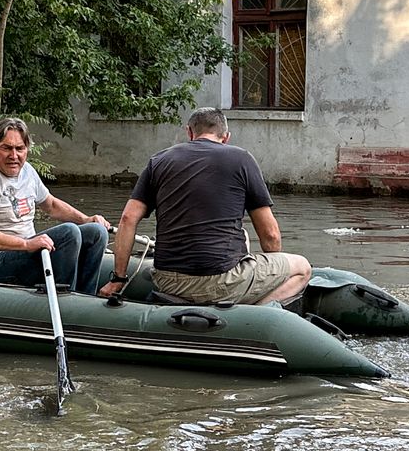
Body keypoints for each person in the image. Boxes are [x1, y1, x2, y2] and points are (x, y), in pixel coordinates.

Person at [99, 107, 310, 305]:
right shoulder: (242, 159)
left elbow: (127, 219)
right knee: (302, 268)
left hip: (167, 281)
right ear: (226, 137)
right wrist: (271, 269)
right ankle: (252, 315)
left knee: (243, 236)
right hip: (218, 281)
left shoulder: (159, 161)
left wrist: (119, 278)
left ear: (189, 132)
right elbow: (271, 236)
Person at [0, 117, 112, 294]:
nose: (14, 155)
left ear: (27, 150)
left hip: (26, 254)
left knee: (97, 232)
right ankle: (65, 298)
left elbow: (51, 205)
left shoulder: (27, 171)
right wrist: (26, 244)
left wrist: (87, 219)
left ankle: (85, 299)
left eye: (19, 148)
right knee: (68, 233)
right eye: (6, 148)